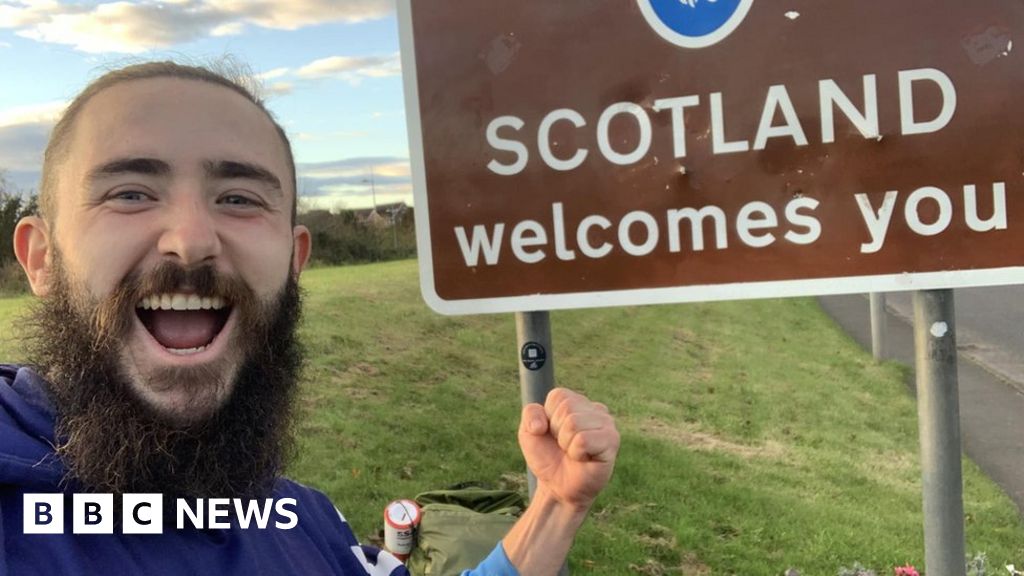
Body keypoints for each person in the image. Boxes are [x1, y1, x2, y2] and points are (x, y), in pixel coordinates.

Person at [0, 61, 620, 575]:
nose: (190, 240)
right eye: (131, 193)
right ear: (42, 258)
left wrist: (556, 507)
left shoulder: (298, 517)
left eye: (239, 199)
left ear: (295, 260)